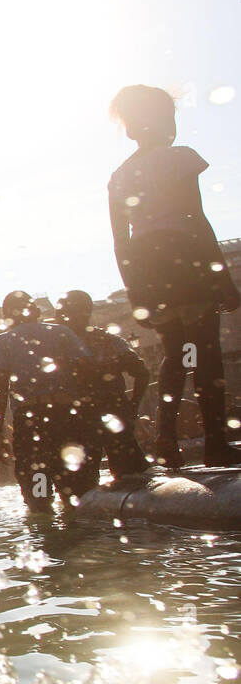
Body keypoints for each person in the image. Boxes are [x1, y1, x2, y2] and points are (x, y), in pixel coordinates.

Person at [108, 85, 241, 467]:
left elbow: (121, 242)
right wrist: (222, 277)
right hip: (183, 257)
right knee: (205, 352)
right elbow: (196, 218)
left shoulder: (119, 175)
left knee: (175, 354)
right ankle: (216, 441)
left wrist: (135, 293)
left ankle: (166, 441)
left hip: (148, 266)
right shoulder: (179, 158)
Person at [0, 292, 97, 512]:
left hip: (31, 421)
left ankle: (45, 530)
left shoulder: (2, 341)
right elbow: (85, 373)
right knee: (76, 488)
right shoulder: (61, 332)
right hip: (66, 415)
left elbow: (0, 388)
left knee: (38, 494)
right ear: (35, 310)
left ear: (6, 316)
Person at [54, 290, 149, 478]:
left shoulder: (56, 347)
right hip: (114, 413)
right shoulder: (110, 341)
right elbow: (142, 373)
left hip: (78, 417)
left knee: (81, 481)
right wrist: (132, 406)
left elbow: (142, 373)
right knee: (132, 473)